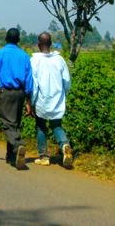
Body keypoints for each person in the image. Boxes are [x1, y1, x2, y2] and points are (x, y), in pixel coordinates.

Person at [0, 27, 33, 170]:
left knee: (7, 123)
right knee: (14, 123)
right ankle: (11, 156)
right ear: (18, 40)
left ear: (6, 39)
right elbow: (29, 79)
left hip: (6, 92)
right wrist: (29, 101)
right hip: (21, 93)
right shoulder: (24, 56)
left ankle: (18, 145)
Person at [29, 31, 73, 169]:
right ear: (51, 44)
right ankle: (64, 144)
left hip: (42, 100)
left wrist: (31, 101)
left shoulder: (34, 60)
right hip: (57, 99)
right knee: (56, 125)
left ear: (38, 44)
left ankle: (44, 156)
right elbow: (66, 81)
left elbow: (34, 85)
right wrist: (64, 94)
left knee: (41, 126)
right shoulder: (59, 60)